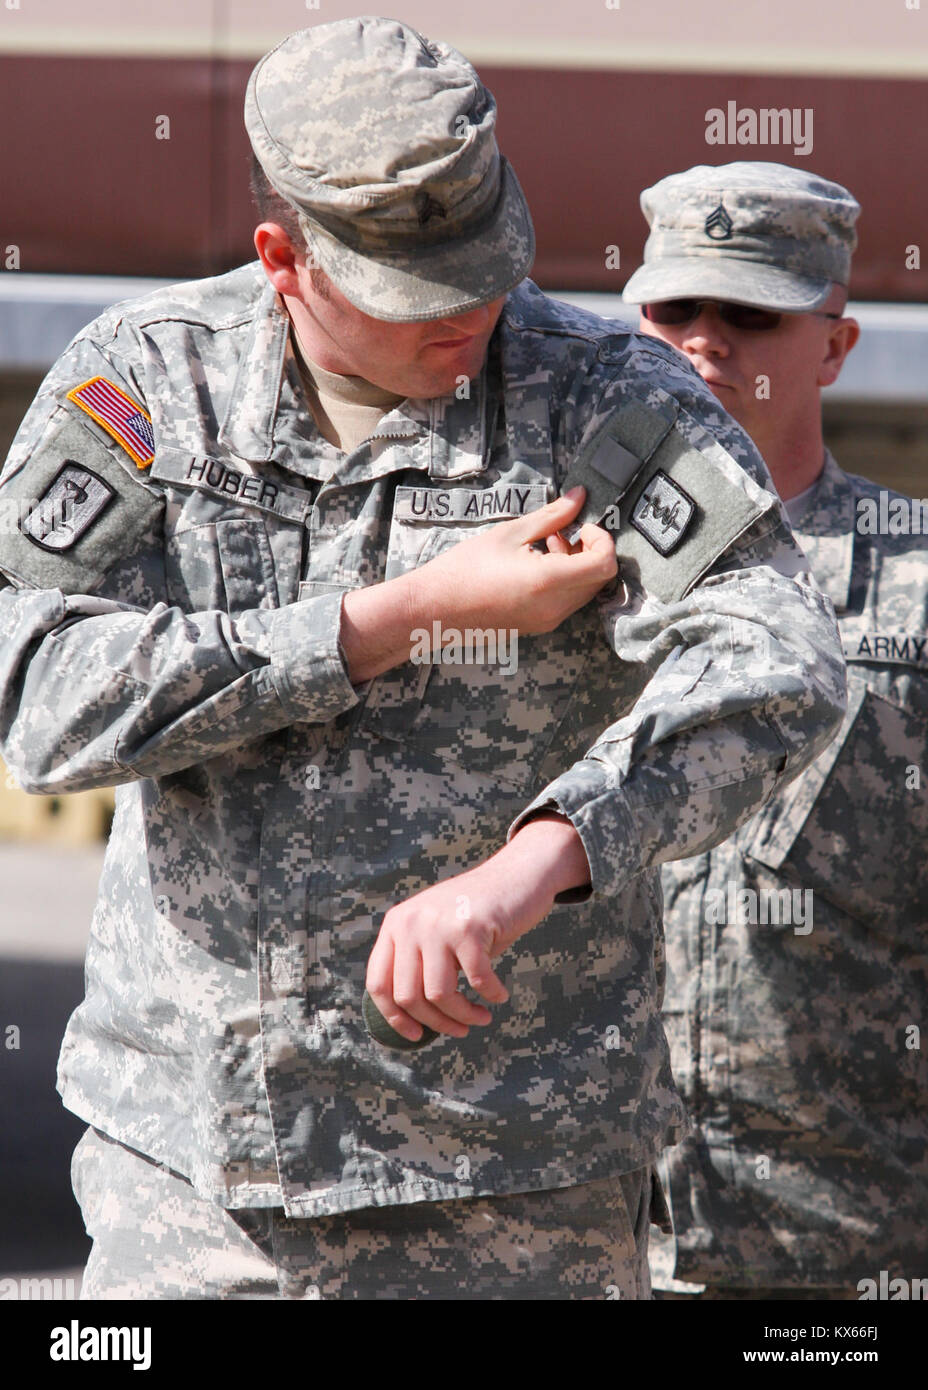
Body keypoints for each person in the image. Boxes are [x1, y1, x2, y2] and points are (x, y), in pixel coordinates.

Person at [0, 26, 845, 1301]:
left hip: (516, 1183)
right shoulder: (147, 386)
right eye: (410, 290)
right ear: (280, 257)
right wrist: (388, 618)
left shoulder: (605, 402)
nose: (465, 314)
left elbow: (780, 657)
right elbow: (34, 694)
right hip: (199, 1175)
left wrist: (537, 859)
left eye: (483, 265)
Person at [624, 161, 928, 1299]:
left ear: (834, 349)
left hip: (843, 1247)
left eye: (748, 313)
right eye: (672, 309)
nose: (704, 340)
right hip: (577, 1240)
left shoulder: (912, 581)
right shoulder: (542, 575)